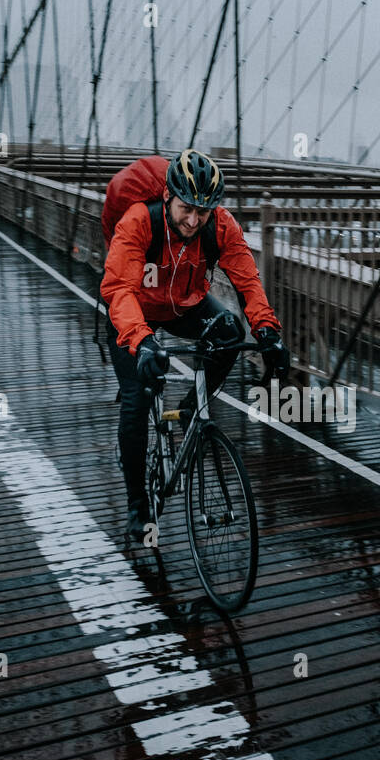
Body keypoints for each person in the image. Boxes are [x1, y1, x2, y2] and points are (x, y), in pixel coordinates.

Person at [100, 148, 290, 543]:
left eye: (203, 211)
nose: (193, 220)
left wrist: (268, 332)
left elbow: (247, 282)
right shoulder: (140, 221)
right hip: (135, 310)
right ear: (169, 197)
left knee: (228, 334)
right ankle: (138, 504)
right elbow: (119, 289)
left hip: (184, 304)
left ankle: (189, 411)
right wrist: (142, 341)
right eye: (186, 208)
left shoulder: (220, 227)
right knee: (137, 400)